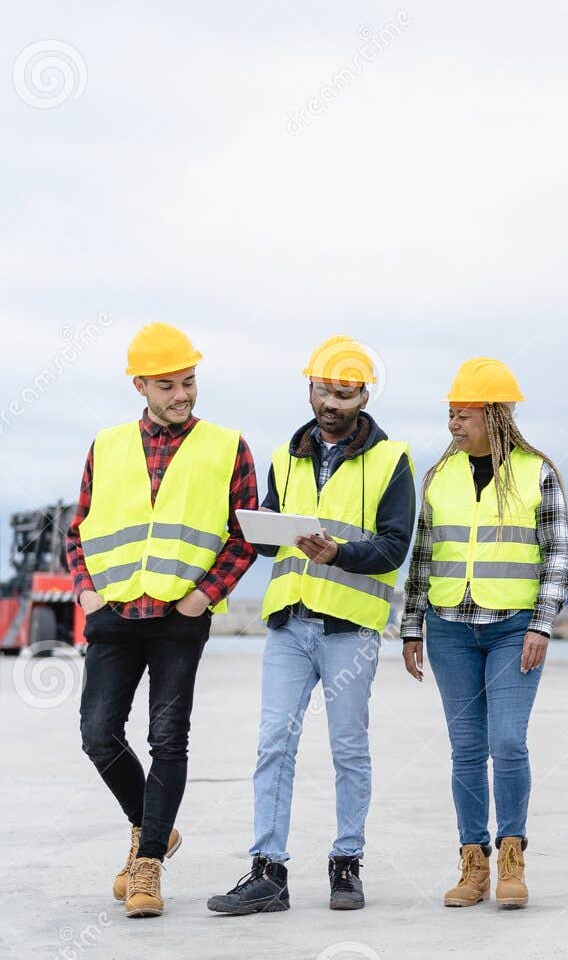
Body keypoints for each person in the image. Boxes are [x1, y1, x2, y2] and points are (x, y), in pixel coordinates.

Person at [207, 337, 414, 915]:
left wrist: (338, 553)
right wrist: (261, 528)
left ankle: (346, 861)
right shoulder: (284, 456)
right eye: (325, 390)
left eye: (344, 392)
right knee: (274, 743)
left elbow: (395, 547)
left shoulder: (392, 459)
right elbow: (273, 548)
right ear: (310, 390)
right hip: (288, 628)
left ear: (363, 394)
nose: (333, 402)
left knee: (348, 749)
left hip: (349, 629)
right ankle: (267, 871)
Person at [65, 322, 258, 918]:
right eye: (169, 384)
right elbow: (78, 530)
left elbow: (245, 534)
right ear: (141, 385)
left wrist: (205, 595)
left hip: (179, 617)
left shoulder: (228, 446)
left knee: (168, 739)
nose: (183, 395)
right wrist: (86, 592)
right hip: (115, 614)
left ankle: (147, 863)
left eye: (190, 382)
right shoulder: (108, 444)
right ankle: (153, 828)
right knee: (98, 735)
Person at [400, 358, 568, 910]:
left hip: (514, 629)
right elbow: (421, 559)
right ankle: (473, 863)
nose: (454, 424)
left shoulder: (535, 473)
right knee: (466, 750)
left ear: (495, 416)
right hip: (449, 628)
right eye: (451, 414)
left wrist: (542, 624)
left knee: (506, 741)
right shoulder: (438, 477)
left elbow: (557, 558)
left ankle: (512, 854)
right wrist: (411, 629)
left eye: (465, 414)